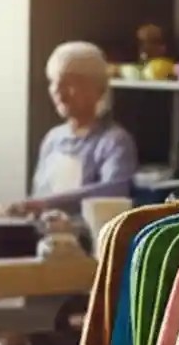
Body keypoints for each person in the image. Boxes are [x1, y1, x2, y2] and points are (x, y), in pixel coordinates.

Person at [9, 41, 137, 215]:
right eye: (54, 83)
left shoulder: (114, 141)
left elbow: (114, 193)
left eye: (69, 83)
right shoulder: (53, 139)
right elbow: (38, 195)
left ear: (98, 89)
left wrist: (46, 204)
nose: (58, 92)